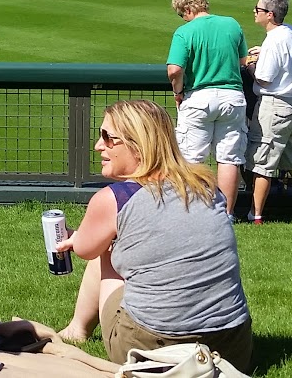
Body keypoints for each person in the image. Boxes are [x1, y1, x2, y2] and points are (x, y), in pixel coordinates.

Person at [56, 100, 251, 371]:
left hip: (151, 348)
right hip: (232, 346)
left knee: (105, 250)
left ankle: (77, 329)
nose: (98, 145)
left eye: (107, 138)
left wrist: (77, 237)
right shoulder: (207, 186)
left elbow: (86, 250)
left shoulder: (115, 198)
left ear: (137, 144)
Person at [165, 0, 246, 219]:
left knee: (191, 159)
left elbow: (174, 70)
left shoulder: (185, 31)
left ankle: (194, 212)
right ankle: (226, 215)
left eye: (183, 14)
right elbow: (242, 60)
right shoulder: (231, 24)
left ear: (188, 10)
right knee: (229, 159)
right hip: (232, 97)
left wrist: (177, 90)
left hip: (198, 98)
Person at [243, 0, 292, 226]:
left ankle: (255, 215)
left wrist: (250, 64)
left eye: (257, 9)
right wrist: (264, 52)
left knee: (262, 164)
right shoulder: (291, 32)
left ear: (269, 14)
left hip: (273, 106)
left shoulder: (274, 40)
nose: (254, 12)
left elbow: (264, 78)